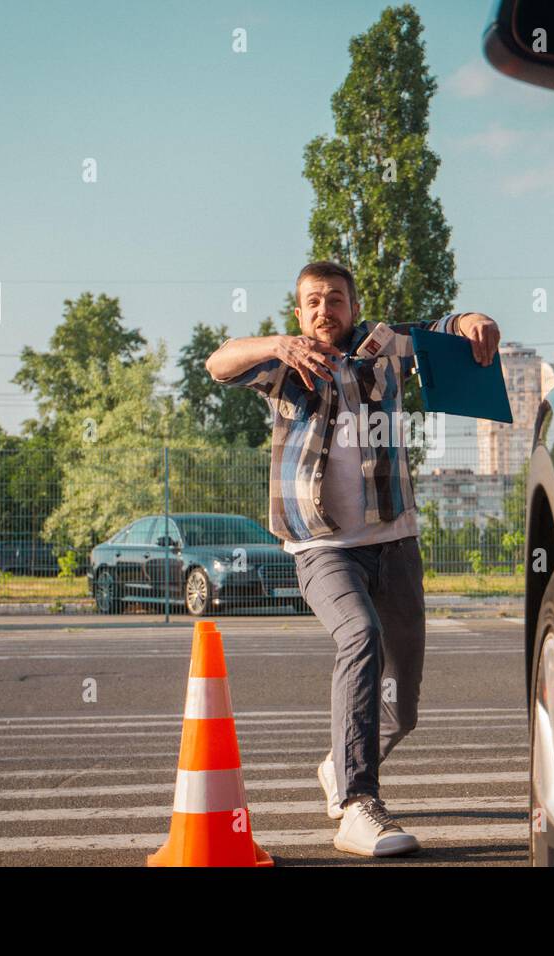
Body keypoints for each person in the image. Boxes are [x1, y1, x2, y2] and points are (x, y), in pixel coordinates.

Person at [206, 260, 500, 857]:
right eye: (311, 302)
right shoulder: (283, 365)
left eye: (334, 298)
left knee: (403, 709)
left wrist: (472, 319)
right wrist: (279, 346)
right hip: (321, 547)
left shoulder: (383, 345)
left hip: (395, 544)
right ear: (297, 313)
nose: (323, 310)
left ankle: (339, 763)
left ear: (352, 303)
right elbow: (218, 361)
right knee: (359, 636)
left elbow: (442, 329)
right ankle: (357, 805)